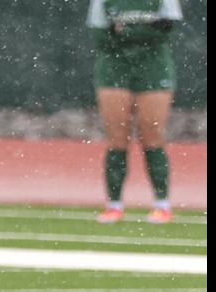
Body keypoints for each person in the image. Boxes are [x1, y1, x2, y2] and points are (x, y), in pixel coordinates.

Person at [88, 0, 182, 224]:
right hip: (113, 70)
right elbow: (101, 37)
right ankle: (114, 204)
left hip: (154, 68)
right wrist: (142, 32)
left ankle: (162, 204)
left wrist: (128, 32)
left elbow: (166, 32)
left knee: (152, 136)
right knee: (117, 138)